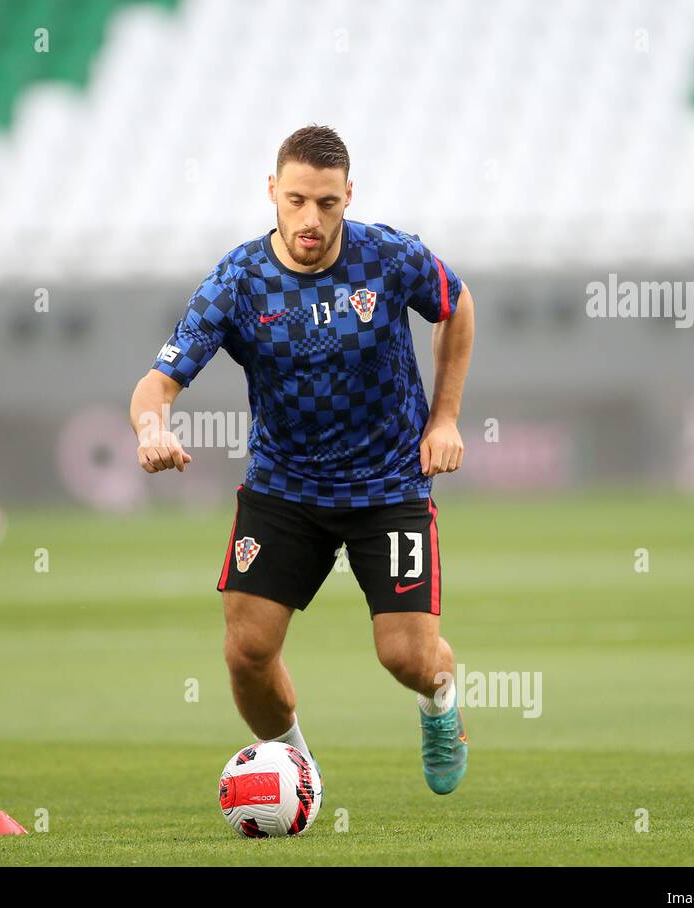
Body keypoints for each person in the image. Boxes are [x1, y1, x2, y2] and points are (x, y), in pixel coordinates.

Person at [130, 125, 476, 804]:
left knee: (408, 658)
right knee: (246, 653)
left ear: (349, 195)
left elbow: (456, 306)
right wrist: (151, 428)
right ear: (271, 192)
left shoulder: (388, 256)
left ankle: (441, 709)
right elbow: (156, 385)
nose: (310, 220)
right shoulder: (238, 281)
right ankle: (296, 774)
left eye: (325, 202)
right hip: (285, 487)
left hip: (388, 485)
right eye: (295, 201)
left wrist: (445, 418)